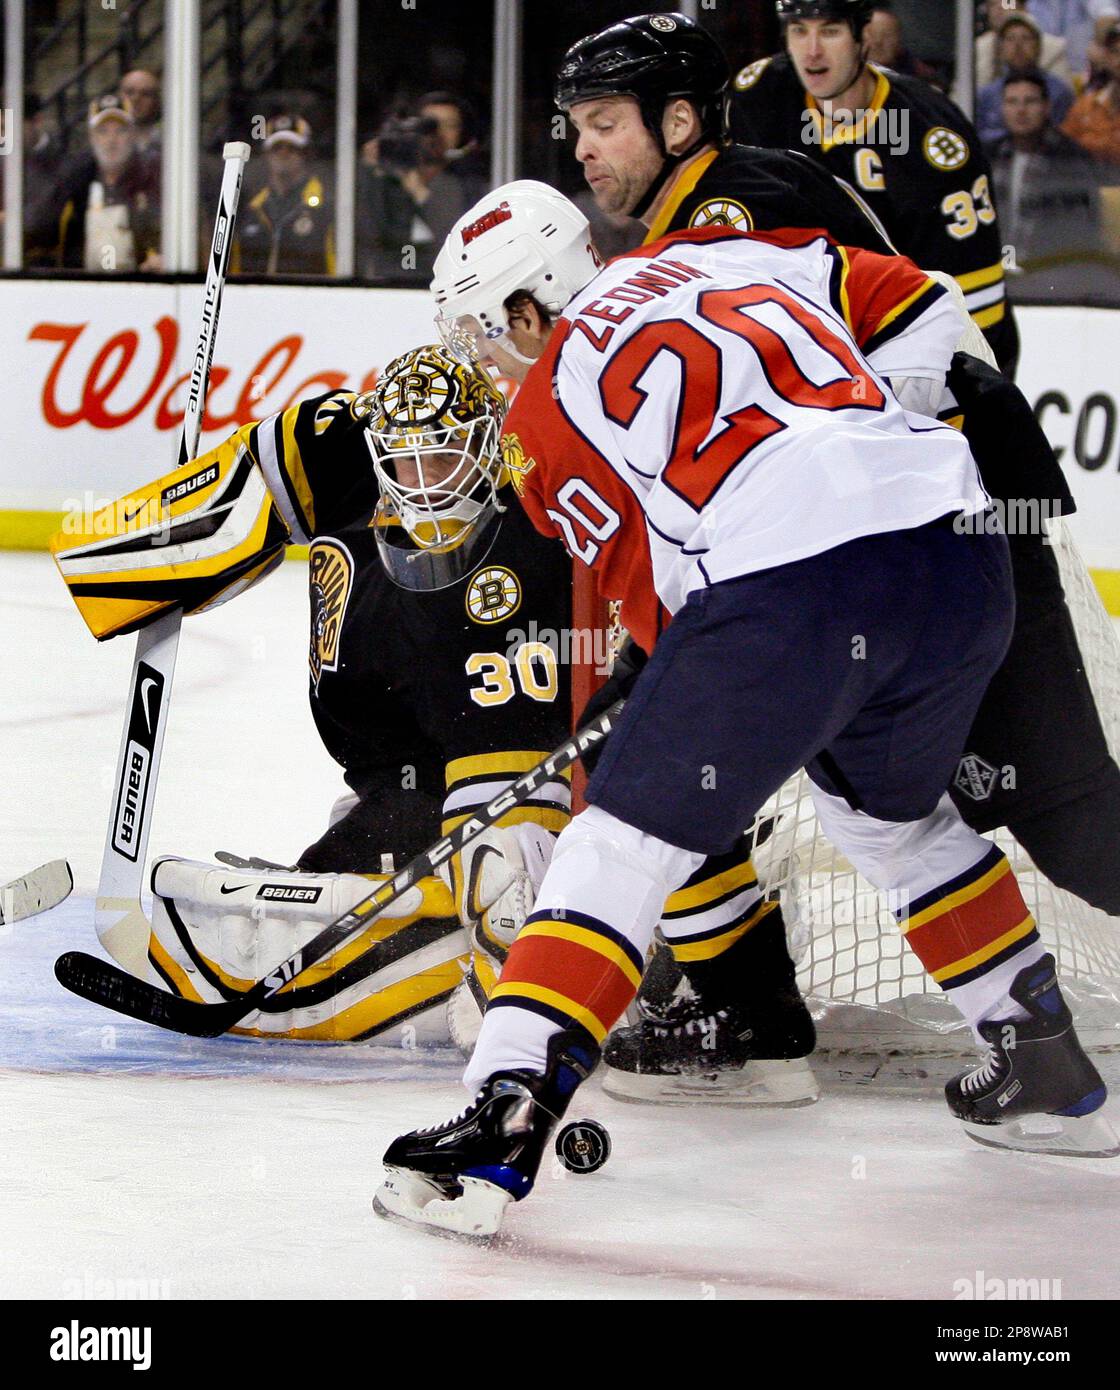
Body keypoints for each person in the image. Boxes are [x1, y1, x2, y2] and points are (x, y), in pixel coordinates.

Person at [374, 182, 1114, 1238]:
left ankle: (499, 1123)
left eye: (485, 336)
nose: (489, 364)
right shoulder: (734, 256)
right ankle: (1041, 1061)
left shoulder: (543, 412)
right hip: (958, 553)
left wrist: (654, 723)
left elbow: (661, 602)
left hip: (794, 590)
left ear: (529, 312)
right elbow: (917, 299)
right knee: (888, 817)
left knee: (617, 846)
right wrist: (889, 427)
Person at [552, 10, 1120, 1100]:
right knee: (687, 744)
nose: (584, 148)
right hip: (896, 543)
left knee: (1068, 822)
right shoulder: (708, 203)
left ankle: (748, 1003)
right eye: (574, 125)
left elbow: (913, 333)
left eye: (605, 123)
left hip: (942, 529)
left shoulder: (730, 214)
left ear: (677, 123)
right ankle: (744, 1002)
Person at [54, 345, 579, 1042]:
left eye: (445, 457)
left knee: (504, 878)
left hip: (512, 768)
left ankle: (546, 971)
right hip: (392, 783)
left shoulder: (538, 503)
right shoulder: (338, 447)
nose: (424, 484)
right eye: (404, 461)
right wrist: (146, 567)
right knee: (334, 885)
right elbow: (212, 512)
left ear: (489, 444)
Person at [729, 0, 1020, 376]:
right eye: (799, 30)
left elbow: (975, 311)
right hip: (796, 335)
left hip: (910, 345)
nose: (812, 50)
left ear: (863, 38)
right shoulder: (761, 96)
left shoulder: (929, 137)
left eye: (830, 31)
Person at [986, 70, 1102, 283]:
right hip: (995, 271)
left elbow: (1079, 229)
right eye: (1012, 102)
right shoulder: (987, 155)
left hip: (1052, 274)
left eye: (1030, 101)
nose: (1020, 110)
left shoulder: (1071, 159)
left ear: (1047, 107)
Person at [357, 109, 475, 282]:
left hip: (441, 281)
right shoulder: (381, 184)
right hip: (382, 282)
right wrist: (368, 171)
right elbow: (364, 235)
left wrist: (419, 192)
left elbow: (458, 241)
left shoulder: (453, 186)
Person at [57, 93, 161, 272]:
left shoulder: (151, 181)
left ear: (133, 135)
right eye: (103, 131)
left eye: (120, 130)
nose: (111, 141)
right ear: (91, 137)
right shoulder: (76, 184)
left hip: (141, 287)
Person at [233, 114, 335, 275]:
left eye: (292, 148)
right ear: (266, 154)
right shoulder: (252, 209)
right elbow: (235, 269)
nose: (283, 153)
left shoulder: (326, 207)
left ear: (306, 154)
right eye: (276, 147)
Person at [976, 13, 1075, 143]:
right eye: (1010, 38)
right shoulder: (986, 95)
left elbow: (1065, 139)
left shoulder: (1059, 92)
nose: (1018, 45)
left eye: (1026, 38)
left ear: (1038, 46)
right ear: (1000, 49)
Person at [968, 0, 1074, 90]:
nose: (998, 9)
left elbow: (1061, 94)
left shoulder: (1054, 48)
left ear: (1023, 7)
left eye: (1007, 2)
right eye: (992, 4)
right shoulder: (977, 47)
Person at [1062, 18, 1120, 162]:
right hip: (1089, 181)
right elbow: (1062, 152)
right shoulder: (1085, 106)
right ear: (1106, 57)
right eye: (1115, 52)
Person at [1030, 0, 1120, 78]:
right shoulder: (1031, 3)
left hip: (1083, 73)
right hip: (1044, 75)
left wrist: (1099, 44)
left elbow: (1108, 16)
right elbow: (1016, 13)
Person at [864, 4, 941, 85]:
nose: (878, 42)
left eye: (887, 35)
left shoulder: (919, 76)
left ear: (899, 42)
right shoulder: (853, 79)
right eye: (872, 35)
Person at [119, 68, 161, 174]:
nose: (136, 99)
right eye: (129, 92)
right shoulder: (103, 142)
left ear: (157, 101)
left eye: (146, 94)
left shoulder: (172, 143)